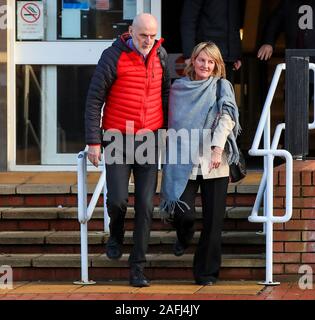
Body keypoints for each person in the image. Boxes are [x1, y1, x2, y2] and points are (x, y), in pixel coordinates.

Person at [85, 13, 170, 287]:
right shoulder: (113, 56)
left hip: (150, 139)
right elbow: (94, 99)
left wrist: (167, 133)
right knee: (118, 201)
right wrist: (94, 142)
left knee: (145, 206)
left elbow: (167, 94)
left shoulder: (161, 55)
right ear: (131, 31)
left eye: (152, 36)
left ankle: (137, 268)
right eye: (142, 35)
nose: (147, 40)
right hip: (117, 138)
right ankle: (116, 232)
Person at [160, 42, 240, 285]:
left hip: (213, 161)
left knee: (214, 222)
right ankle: (184, 235)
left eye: (211, 61)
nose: (205, 65)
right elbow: (170, 122)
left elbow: (227, 117)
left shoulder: (221, 86)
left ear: (216, 65)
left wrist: (217, 149)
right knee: (183, 212)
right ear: (193, 61)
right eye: (201, 60)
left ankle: (206, 272)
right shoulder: (178, 88)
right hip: (182, 160)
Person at [180, 0, 243, 83]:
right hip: (206, 57)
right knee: (204, 94)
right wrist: (189, 55)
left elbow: (235, 23)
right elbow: (188, 20)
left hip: (228, 59)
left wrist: (236, 53)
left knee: (226, 94)